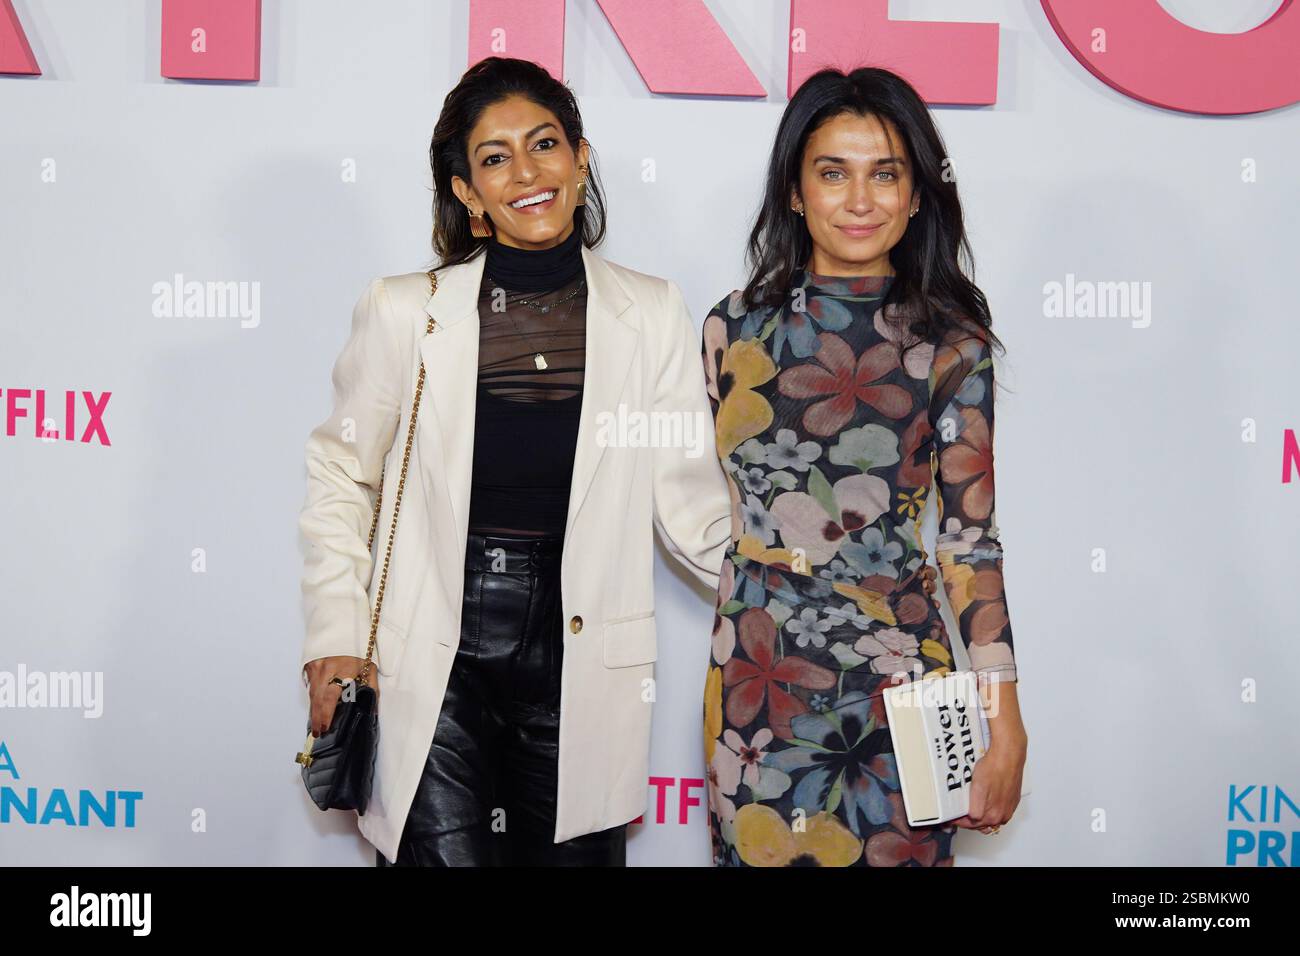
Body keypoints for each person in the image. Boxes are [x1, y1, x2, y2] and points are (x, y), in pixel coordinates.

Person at [297, 56, 742, 866]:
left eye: (544, 145)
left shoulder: (651, 311)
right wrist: (334, 634)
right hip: (431, 647)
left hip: (582, 649)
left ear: (579, 158)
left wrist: (804, 590)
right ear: (467, 191)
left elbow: (690, 503)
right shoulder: (406, 311)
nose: (526, 173)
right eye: (495, 157)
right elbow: (341, 474)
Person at [699, 66, 1029, 867]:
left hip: (905, 691)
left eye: (885, 173)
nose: (859, 199)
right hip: (758, 680)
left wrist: (1005, 714)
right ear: (794, 191)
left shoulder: (953, 345)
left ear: (918, 195)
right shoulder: (731, 330)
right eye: (832, 172)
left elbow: (970, 543)